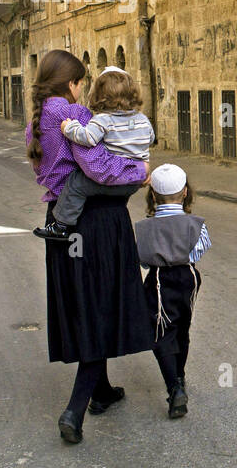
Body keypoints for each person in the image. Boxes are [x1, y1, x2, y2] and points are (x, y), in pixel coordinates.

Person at [26, 50, 155, 444]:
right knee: (99, 305)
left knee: (85, 302)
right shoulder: (76, 117)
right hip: (96, 222)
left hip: (62, 219)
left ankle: (102, 391)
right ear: (72, 84)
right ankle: (74, 410)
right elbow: (100, 169)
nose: (82, 91)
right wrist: (139, 172)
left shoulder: (36, 120)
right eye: (81, 83)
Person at [34, 66, 154, 241]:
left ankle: (61, 225)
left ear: (99, 95)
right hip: (134, 182)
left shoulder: (102, 120)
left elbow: (87, 137)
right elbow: (150, 139)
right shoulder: (142, 120)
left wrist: (69, 127)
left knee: (76, 183)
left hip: (113, 181)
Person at [136, 164, 210, 419]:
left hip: (159, 280)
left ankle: (174, 387)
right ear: (186, 193)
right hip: (188, 278)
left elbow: (144, 260)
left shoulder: (144, 229)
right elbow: (200, 249)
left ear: (153, 196)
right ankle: (180, 375)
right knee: (181, 328)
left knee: (160, 333)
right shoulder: (196, 224)